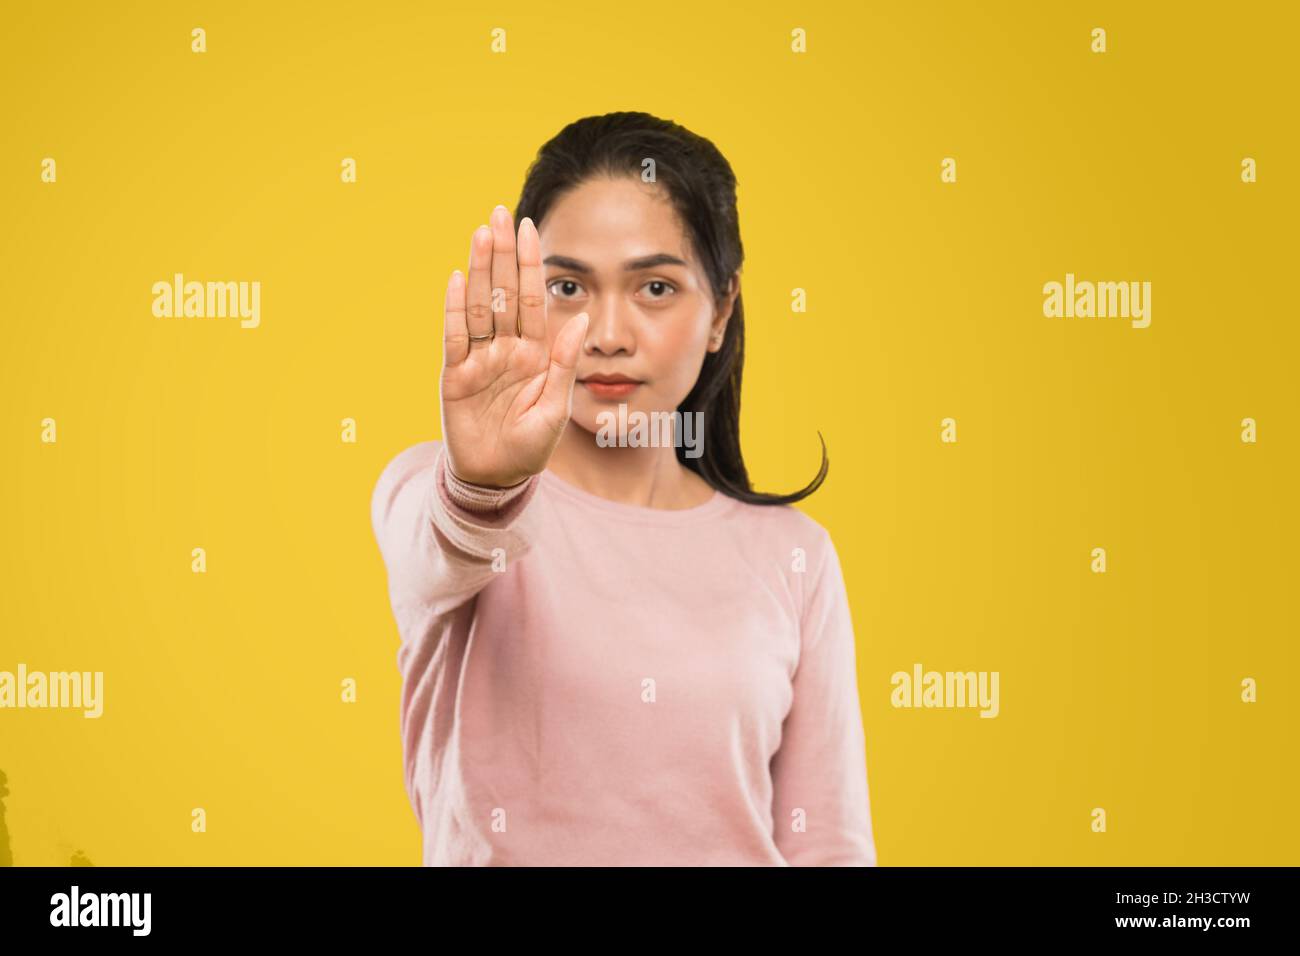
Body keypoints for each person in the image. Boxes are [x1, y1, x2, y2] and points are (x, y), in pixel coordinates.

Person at [371, 111, 877, 865]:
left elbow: (829, 845)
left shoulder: (794, 557)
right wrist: (482, 482)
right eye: (569, 286)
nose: (608, 333)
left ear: (722, 310)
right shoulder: (439, 495)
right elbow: (442, 542)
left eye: (656, 288)